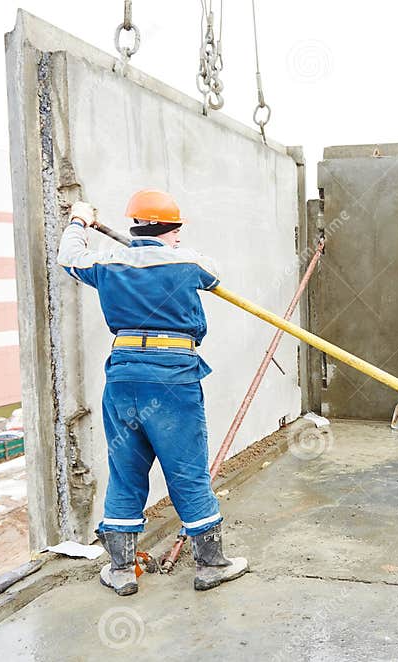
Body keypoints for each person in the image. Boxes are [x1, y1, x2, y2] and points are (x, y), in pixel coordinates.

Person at [58, 189, 247, 595]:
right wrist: (167, 255)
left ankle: (122, 570)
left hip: (124, 379)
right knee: (187, 473)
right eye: (177, 230)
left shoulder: (107, 262)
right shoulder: (186, 260)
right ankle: (211, 565)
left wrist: (79, 219)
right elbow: (214, 275)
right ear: (170, 229)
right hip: (173, 380)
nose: (179, 236)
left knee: (125, 473)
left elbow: (68, 256)